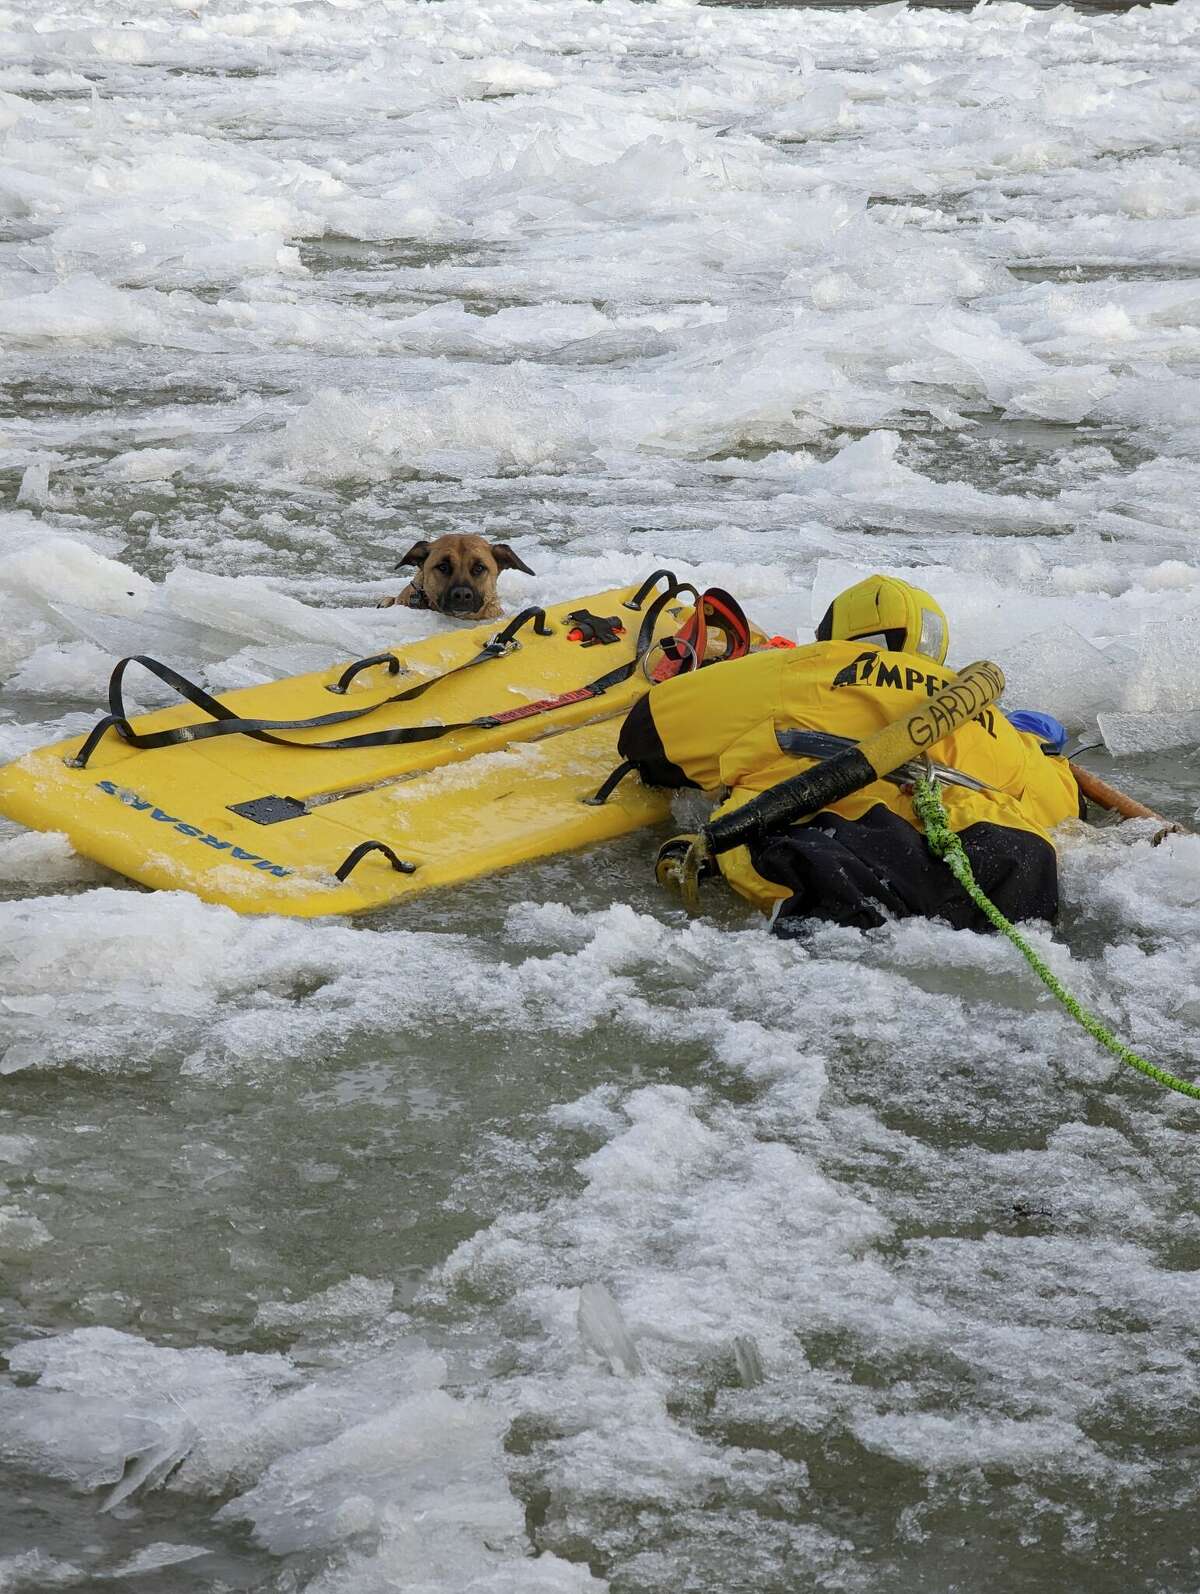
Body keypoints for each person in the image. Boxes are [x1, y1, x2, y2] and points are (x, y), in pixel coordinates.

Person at [617, 574, 1082, 937]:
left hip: (830, 859)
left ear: (834, 633)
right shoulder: (988, 719)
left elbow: (645, 735)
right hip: (1007, 872)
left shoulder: (792, 670)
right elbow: (1065, 807)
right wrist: (1038, 747)